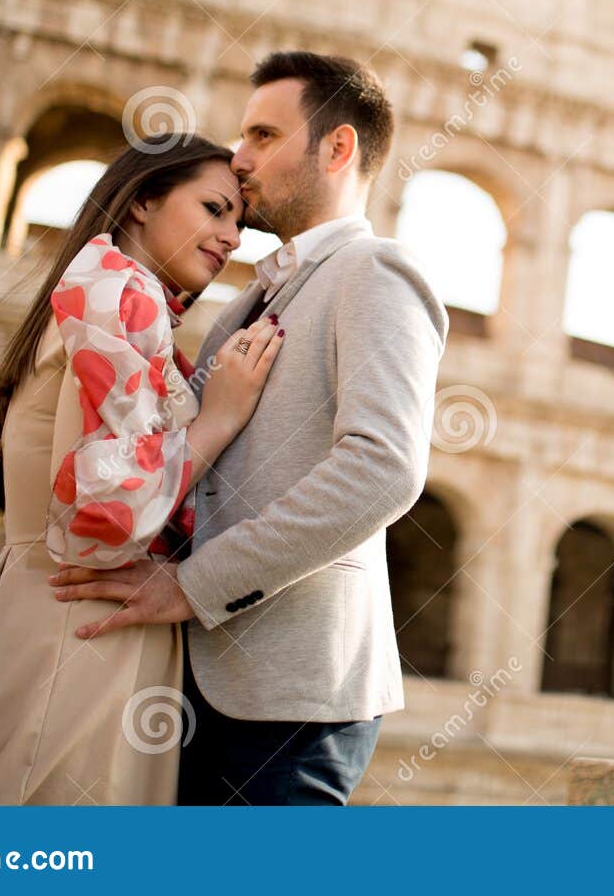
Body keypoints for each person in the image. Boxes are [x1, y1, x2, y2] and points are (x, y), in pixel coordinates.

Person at [50, 51, 449, 805]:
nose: (239, 158)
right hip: (200, 676)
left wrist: (193, 586)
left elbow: (384, 468)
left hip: (290, 691)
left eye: (264, 135)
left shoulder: (376, 270)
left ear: (337, 148)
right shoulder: (243, 303)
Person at [0, 134, 282, 804]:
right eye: (215, 208)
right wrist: (221, 417)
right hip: (81, 631)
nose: (233, 235)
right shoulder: (122, 294)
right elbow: (109, 511)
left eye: (240, 220)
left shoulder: (97, 288)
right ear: (143, 201)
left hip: (33, 620)